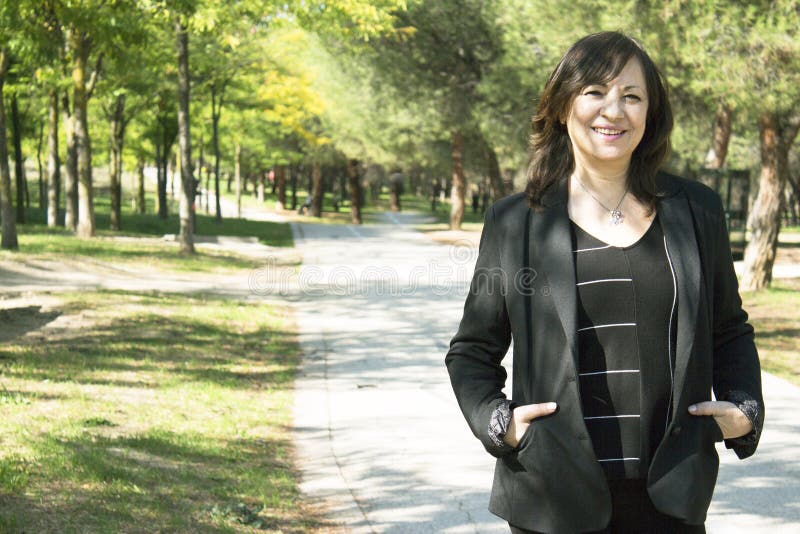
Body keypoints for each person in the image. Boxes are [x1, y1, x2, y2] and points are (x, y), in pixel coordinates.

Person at [444, 32, 763, 533]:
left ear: (650, 113)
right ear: (562, 105)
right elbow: (472, 349)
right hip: (552, 497)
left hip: (671, 497)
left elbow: (729, 329)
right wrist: (499, 424)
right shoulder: (515, 222)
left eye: (632, 96)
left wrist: (744, 408)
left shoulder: (696, 210)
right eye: (594, 91)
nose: (613, 110)